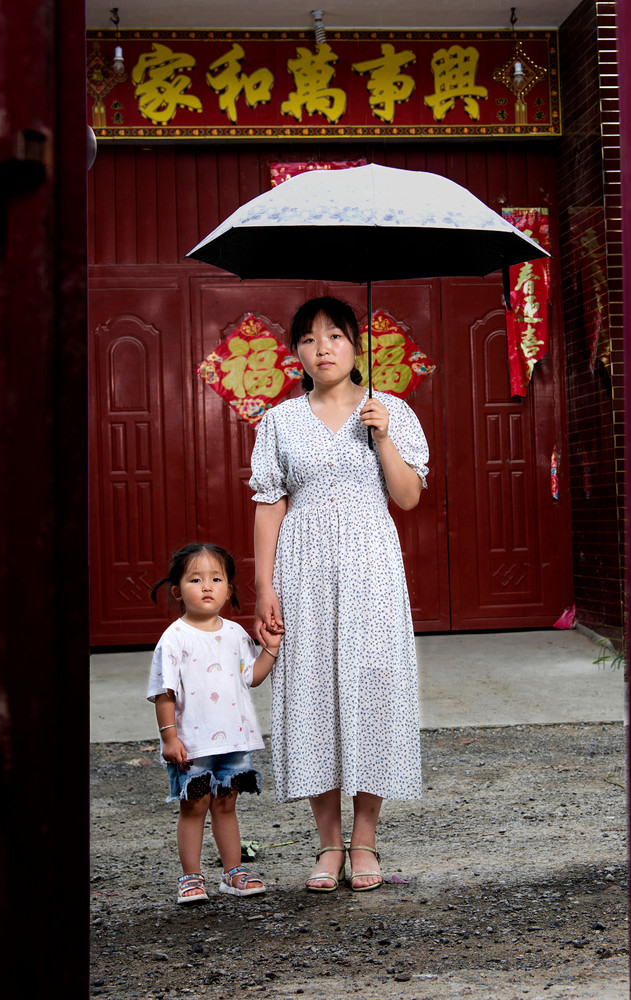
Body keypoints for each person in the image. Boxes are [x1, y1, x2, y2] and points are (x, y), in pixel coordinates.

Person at [250, 296, 429, 893]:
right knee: (310, 691)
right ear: (296, 352)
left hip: (370, 569)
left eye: (333, 335)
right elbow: (270, 503)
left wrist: (383, 439)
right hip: (301, 570)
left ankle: (366, 839)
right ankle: (329, 844)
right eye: (306, 339)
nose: (320, 348)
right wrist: (262, 584)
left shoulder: (390, 411)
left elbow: (407, 498)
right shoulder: (279, 420)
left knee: (371, 686)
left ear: (356, 345)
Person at [147, 543, 280, 904]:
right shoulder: (174, 638)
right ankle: (190, 877)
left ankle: (232, 872)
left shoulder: (237, 634)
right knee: (194, 806)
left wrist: (270, 648)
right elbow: (163, 692)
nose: (207, 587)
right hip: (193, 743)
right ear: (177, 591)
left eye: (216, 578)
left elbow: (251, 677)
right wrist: (168, 737)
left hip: (234, 741)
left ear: (229, 589)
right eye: (195, 579)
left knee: (226, 804)